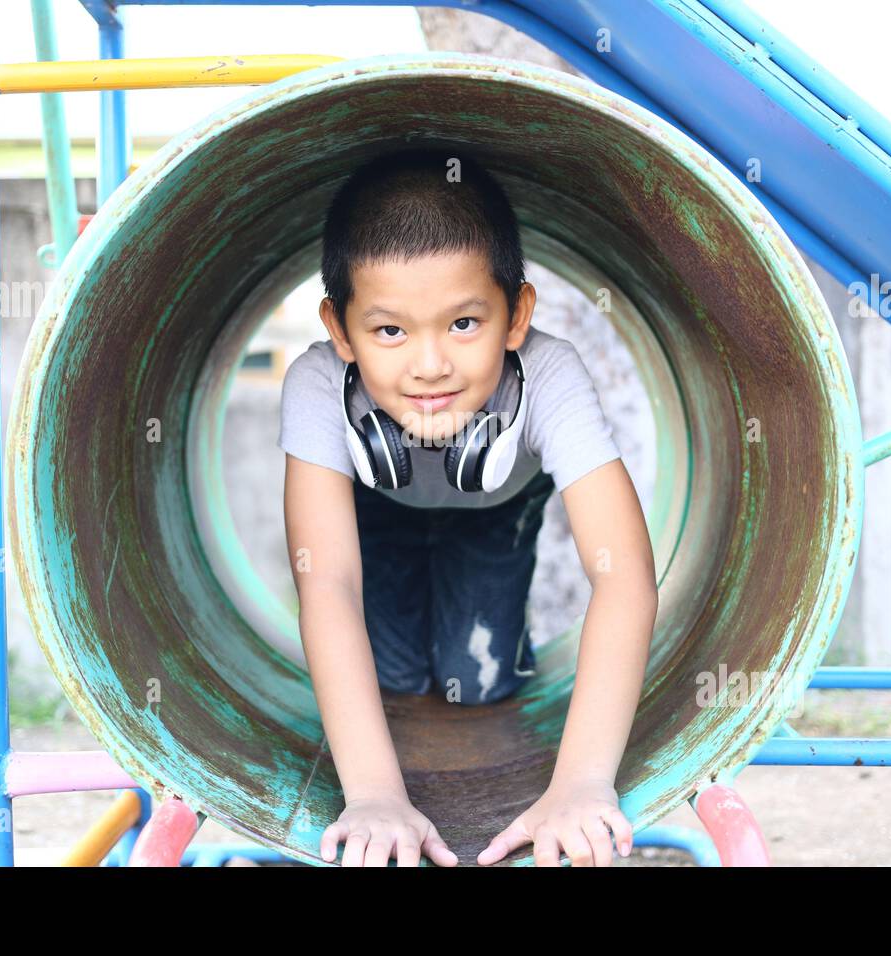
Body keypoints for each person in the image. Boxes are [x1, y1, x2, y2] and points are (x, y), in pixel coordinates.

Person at [277, 146, 657, 867]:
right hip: (378, 512)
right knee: (393, 682)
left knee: (474, 681)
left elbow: (625, 576)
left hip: (496, 507)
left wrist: (580, 784)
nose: (429, 365)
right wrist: (375, 795)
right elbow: (327, 581)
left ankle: (488, 635)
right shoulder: (317, 384)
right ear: (339, 330)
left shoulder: (548, 374)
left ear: (516, 316)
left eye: (463, 324)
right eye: (389, 330)